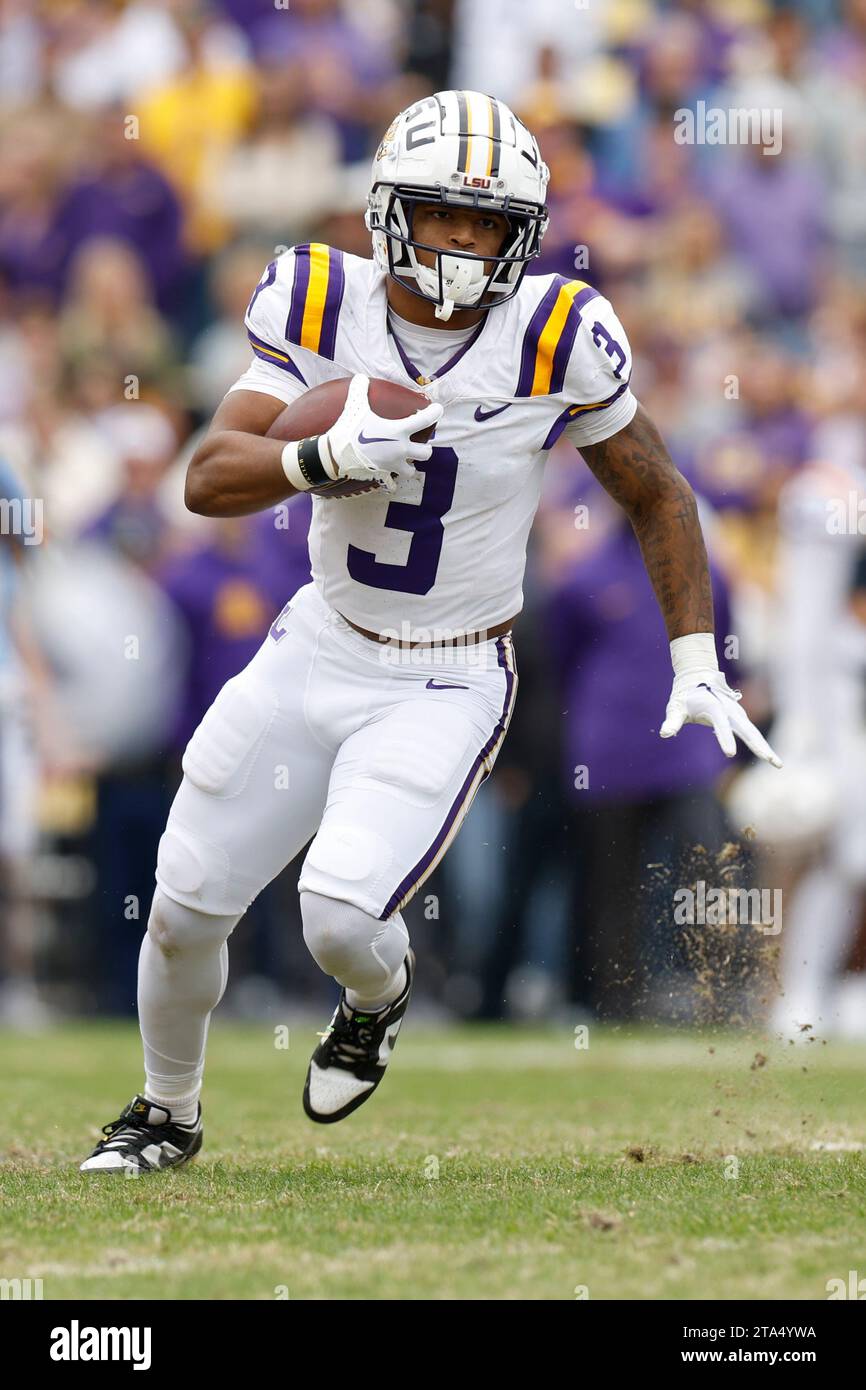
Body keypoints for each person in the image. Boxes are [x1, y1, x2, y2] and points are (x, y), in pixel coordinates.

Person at [79, 89, 779, 1174]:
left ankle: (376, 998)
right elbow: (208, 478)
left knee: (338, 918)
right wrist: (315, 458)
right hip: (319, 641)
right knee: (181, 904)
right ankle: (166, 1112)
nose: (462, 241)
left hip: (447, 675)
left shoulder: (554, 331)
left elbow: (658, 494)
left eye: (487, 223)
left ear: (522, 237)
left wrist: (695, 656)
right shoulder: (318, 298)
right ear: (387, 210)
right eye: (443, 215)